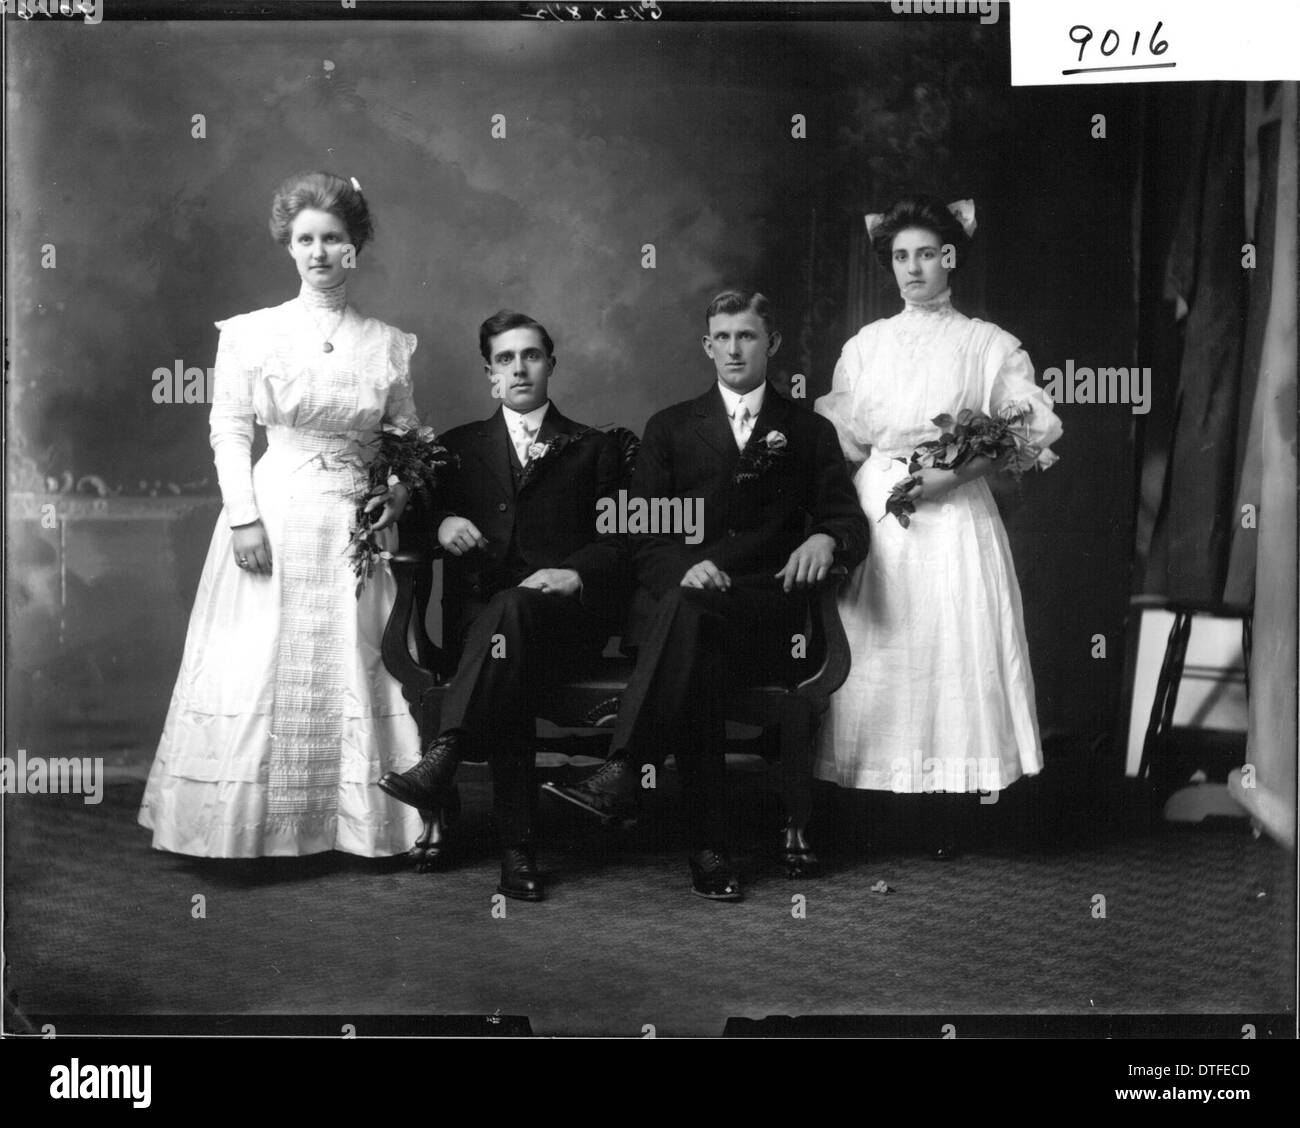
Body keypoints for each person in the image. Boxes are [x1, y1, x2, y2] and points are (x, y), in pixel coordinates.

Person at [544, 290, 870, 900]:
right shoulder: (670, 427)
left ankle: (624, 772)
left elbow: (849, 520)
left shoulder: (807, 430)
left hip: (762, 616)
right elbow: (642, 534)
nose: (733, 349)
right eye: (721, 337)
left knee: (693, 638)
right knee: (694, 640)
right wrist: (685, 571)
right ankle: (710, 851)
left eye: (746, 336)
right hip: (685, 606)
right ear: (706, 346)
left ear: (771, 344)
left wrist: (827, 538)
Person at [138, 171, 426, 857]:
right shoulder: (250, 334)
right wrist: (243, 518)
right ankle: (246, 835)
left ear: (355, 247)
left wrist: (400, 493)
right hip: (273, 510)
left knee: (352, 659)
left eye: (334, 239)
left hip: (353, 528)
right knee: (258, 656)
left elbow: (408, 438)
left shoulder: (388, 343)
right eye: (305, 239)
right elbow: (230, 429)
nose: (320, 252)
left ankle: (358, 827)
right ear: (288, 246)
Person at [812, 195, 1063, 857]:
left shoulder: (986, 344)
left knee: (952, 644)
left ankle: (950, 801)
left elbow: (1029, 427)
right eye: (900, 256)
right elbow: (843, 440)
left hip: (955, 516)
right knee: (881, 646)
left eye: (926, 254)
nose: (912, 268)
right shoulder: (867, 346)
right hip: (882, 512)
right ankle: (875, 799)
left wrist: (954, 476)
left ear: (949, 258)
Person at [377, 310, 631, 901]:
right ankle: (518, 849)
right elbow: (409, 517)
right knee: (504, 648)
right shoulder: (459, 447)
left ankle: (451, 755)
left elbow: (624, 540)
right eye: (506, 359)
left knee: (511, 633)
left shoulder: (594, 449)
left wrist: (575, 572)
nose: (520, 368)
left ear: (551, 365)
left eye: (531, 355)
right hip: (479, 626)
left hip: (565, 624)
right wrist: (442, 522)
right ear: (491, 374)